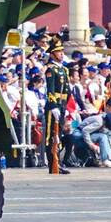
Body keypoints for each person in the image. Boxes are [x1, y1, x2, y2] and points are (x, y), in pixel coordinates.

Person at [43, 45, 72, 174]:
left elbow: (67, 90)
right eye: (58, 52)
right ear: (52, 54)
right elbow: (50, 89)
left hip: (62, 105)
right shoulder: (51, 69)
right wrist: (53, 105)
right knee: (51, 136)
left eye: (61, 51)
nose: (61, 54)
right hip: (53, 106)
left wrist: (66, 106)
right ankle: (52, 164)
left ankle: (58, 163)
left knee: (58, 135)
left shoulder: (64, 69)